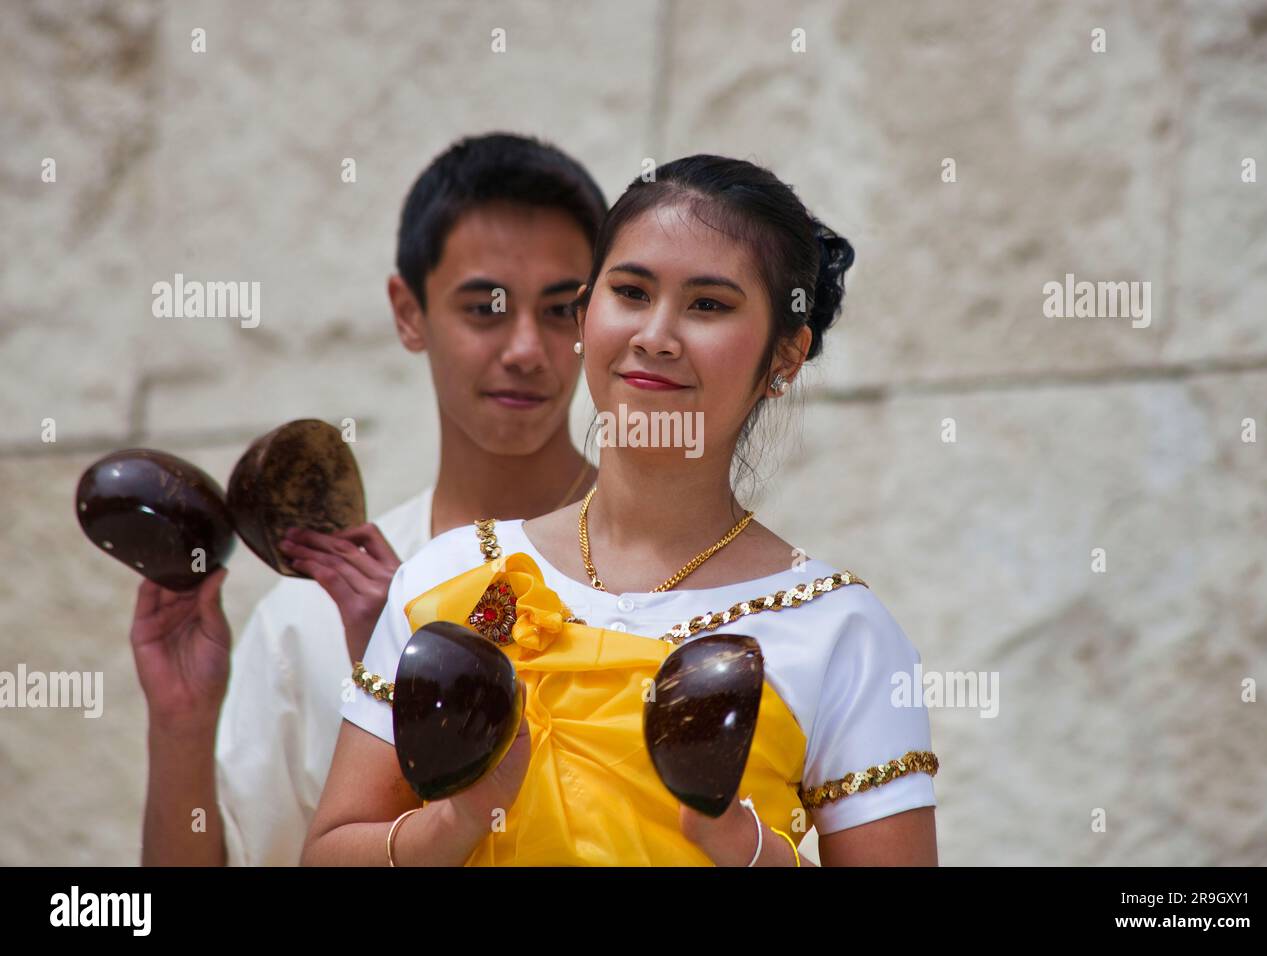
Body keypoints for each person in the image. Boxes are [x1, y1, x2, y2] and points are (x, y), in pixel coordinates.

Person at [302, 154, 939, 867]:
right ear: (585, 314)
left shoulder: (839, 631)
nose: (655, 336)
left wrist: (739, 842)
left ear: (785, 357)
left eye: (708, 305)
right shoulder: (450, 578)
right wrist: (458, 819)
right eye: (631, 292)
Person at [129, 133, 605, 865]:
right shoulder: (307, 618)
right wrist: (181, 725)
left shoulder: (671, 576)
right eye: (485, 309)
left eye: (561, 310)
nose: (525, 349)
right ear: (408, 312)